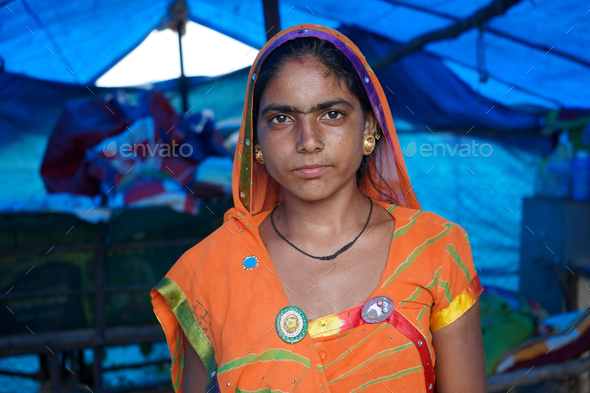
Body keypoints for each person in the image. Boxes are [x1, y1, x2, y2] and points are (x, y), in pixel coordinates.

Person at [150, 23, 487, 393]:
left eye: (332, 114)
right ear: (255, 140)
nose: (308, 141)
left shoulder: (437, 249)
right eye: (281, 119)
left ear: (369, 128)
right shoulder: (211, 270)